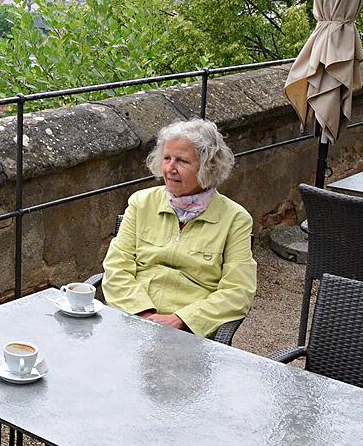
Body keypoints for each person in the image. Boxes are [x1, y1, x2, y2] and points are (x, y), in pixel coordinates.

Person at [101, 118, 257, 338]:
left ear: (208, 166)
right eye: (166, 158)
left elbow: (238, 291)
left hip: (189, 334)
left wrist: (181, 319)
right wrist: (143, 313)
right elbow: (116, 267)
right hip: (132, 319)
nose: (170, 168)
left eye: (182, 161)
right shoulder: (141, 203)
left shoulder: (235, 219)